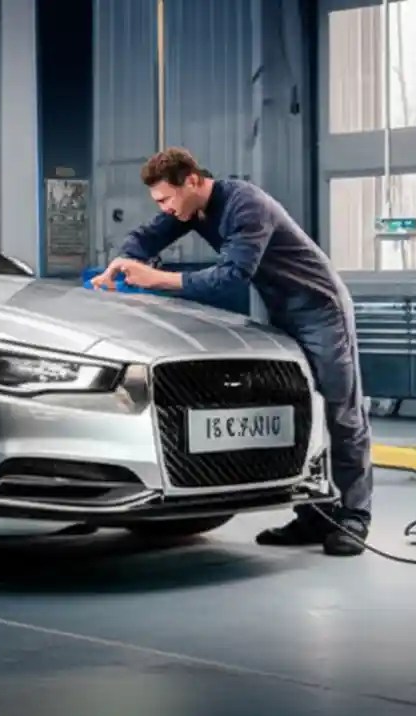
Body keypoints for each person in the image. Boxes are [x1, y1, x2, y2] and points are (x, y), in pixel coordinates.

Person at [90, 147, 372, 557]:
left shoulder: (246, 204)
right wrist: (123, 262)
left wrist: (155, 278)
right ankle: (317, 515)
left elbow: (231, 278)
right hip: (281, 309)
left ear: (192, 181)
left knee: (341, 410)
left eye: (167, 199)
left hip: (320, 309)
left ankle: (354, 515)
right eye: (158, 202)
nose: (165, 209)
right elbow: (149, 235)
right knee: (301, 409)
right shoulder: (189, 210)